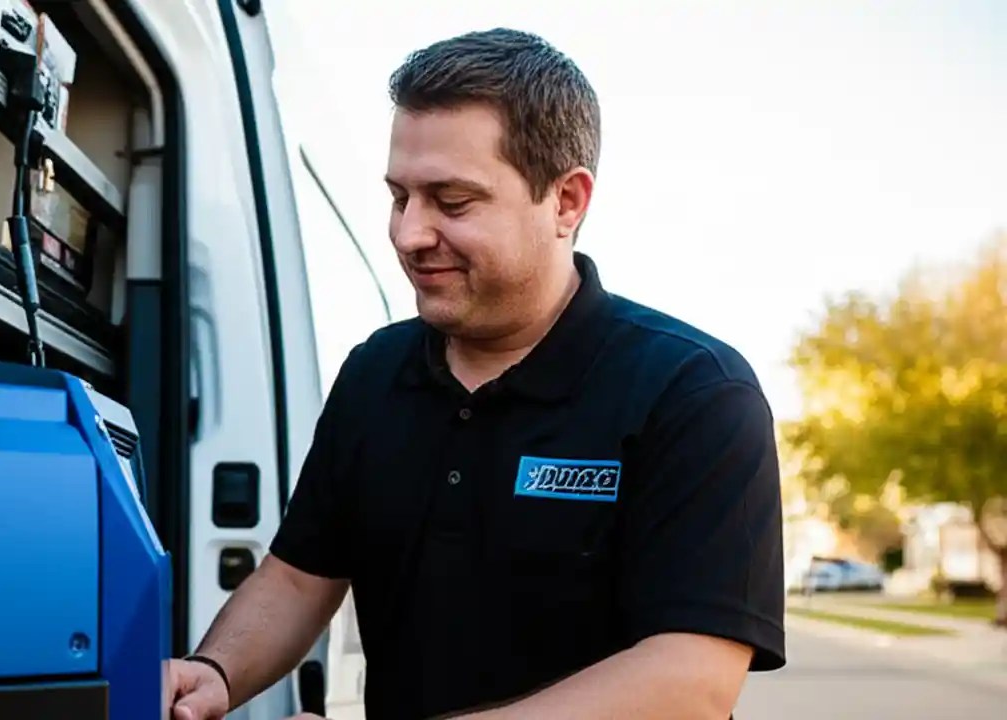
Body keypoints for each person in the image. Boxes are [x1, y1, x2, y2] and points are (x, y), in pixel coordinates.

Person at [169, 27, 785, 720]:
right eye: (400, 197)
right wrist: (214, 673)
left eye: (452, 202)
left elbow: (689, 684)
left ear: (566, 201)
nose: (408, 233)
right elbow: (298, 576)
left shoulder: (694, 392)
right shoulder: (376, 372)